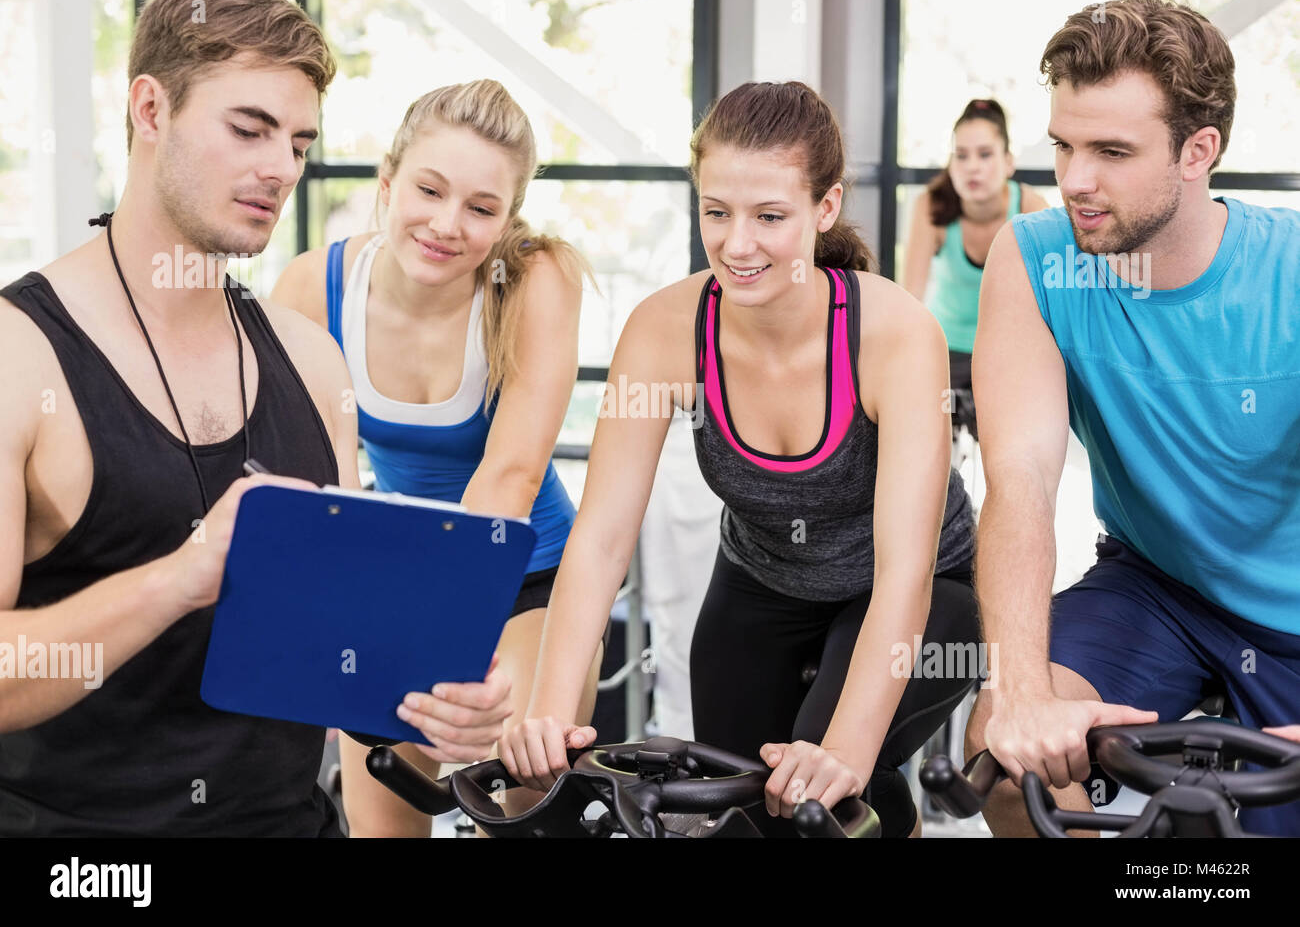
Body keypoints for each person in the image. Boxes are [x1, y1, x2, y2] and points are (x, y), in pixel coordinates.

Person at [0, 0, 509, 836]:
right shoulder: (18, 356)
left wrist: (433, 698)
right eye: (249, 128)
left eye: (300, 143)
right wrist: (180, 577)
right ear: (150, 110)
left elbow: (335, 664)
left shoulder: (311, 362)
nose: (281, 168)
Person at [500, 81, 981, 838]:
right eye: (716, 212)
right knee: (733, 814)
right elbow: (598, 542)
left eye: (770, 216)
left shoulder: (893, 333)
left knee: (820, 803)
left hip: (927, 592)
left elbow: (904, 573)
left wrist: (841, 761)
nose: (737, 243)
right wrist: (550, 726)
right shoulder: (664, 329)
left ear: (825, 209)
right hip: (761, 583)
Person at [966, 0, 1300, 836]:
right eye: (1064, 146)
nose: (1074, 181)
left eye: (1112, 151)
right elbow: (1021, 478)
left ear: (1199, 150)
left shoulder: (1290, 274)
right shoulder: (1036, 257)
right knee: (1009, 765)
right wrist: (1021, 695)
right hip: (1157, 587)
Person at [272, 79, 598, 837]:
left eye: (481, 208)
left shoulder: (535, 279)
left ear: (508, 220)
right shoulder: (313, 288)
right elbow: (324, 488)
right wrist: (352, 633)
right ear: (387, 183)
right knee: (383, 821)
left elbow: (510, 474)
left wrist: (436, 644)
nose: (447, 225)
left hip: (532, 579)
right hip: (392, 583)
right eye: (429, 190)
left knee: (515, 806)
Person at [902, 99, 1047, 438]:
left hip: (1006, 350)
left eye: (985, 154)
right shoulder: (932, 204)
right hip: (946, 349)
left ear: (1008, 162)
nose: (972, 167)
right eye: (961, 155)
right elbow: (910, 298)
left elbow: (1051, 301)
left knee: (1011, 443)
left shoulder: (1029, 206)